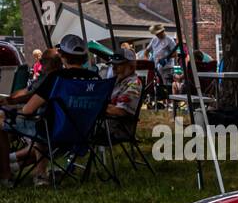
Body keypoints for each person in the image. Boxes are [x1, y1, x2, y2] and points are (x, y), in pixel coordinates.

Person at [1, 34, 97, 186]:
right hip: (85, 134)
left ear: (63, 56)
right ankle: (25, 168)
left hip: (53, 132)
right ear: (85, 57)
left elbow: (27, 110)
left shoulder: (57, 78)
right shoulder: (96, 79)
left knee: (3, 122)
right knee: (42, 125)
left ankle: (5, 175)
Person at [103, 48, 142, 144]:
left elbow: (121, 111)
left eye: (119, 65)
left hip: (117, 129)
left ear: (131, 67)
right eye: (113, 64)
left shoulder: (134, 84)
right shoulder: (116, 81)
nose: (114, 68)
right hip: (106, 124)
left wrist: (95, 106)